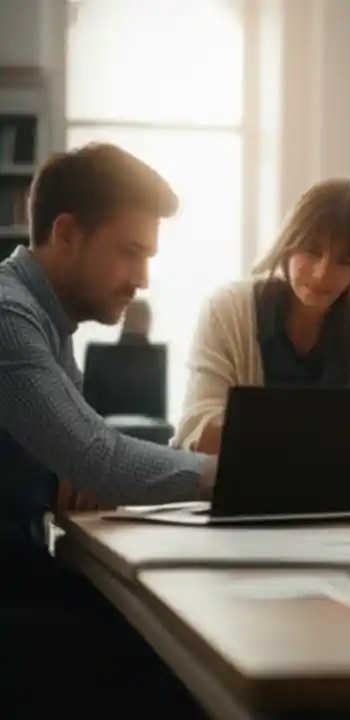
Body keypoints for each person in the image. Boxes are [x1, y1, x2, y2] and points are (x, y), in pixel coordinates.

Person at [0, 143, 212, 715]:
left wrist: (80, 465)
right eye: (130, 253)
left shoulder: (49, 323)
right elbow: (103, 462)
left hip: (18, 574)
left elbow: (88, 456)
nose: (142, 279)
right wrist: (245, 474)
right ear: (66, 234)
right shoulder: (7, 316)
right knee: (182, 663)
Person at [174, 179, 350, 484]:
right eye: (312, 250)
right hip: (244, 509)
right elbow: (194, 429)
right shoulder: (228, 309)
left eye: (345, 261)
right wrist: (329, 452)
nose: (323, 273)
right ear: (288, 241)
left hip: (341, 516)